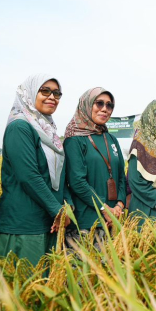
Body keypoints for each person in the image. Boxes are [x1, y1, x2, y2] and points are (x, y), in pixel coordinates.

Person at [0, 74, 73, 267]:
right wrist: (58, 211)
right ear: (29, 94)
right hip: (24, 223)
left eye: (57, 93)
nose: (52, 97)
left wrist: (66, 207)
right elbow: (28, 176)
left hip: (50, 222)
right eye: (44, 91)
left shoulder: (50, 132)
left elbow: (61, 178)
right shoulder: (20, 127)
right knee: (23, 287)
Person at [64, 87, 127, 240]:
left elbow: (121, 178)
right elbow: (77, 181)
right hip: (86, 222)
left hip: (114, 220)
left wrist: (119, 206)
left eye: (109, 105)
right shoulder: (74, 139)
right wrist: (104, 209)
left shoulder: (111, 139)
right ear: (87, 105)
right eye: (99, 103)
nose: (105, 109)